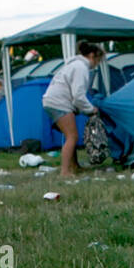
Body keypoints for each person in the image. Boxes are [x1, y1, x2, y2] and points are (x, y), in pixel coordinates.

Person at [41, 41, 104, 178]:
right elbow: (78, 96)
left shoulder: (73, 64)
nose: (97, 64)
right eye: (98, 60)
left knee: (69, 135)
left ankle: (74, 166)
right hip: (59, 103)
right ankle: (65, 172)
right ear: (92, 55)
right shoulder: (81, 68)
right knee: (72, 136)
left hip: (52, 101)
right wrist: (91, 109)